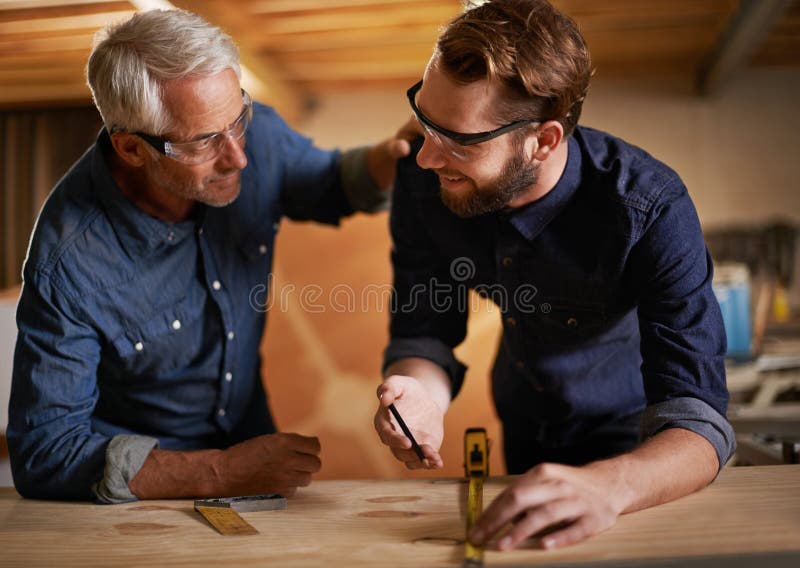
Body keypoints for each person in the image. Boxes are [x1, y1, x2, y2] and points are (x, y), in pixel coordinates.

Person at [8, 9, 412, 503]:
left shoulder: (251, 134)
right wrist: (219, 472)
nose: (239, 155)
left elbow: (328, 182)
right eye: (204, 142)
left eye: (238, 118)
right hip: (139, 489)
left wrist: (396, 154)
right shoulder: (69, 261)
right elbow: (45, 454)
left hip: (247, 435)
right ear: (133, 148)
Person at [373, 0, 735, 551]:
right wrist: (420, 394)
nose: (425, 158)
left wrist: (611, 485)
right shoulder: (423, 181)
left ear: (542, 141)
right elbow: (425, 328)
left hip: (635, 451)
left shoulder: (649, 210)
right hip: (521, 418)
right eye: (425, 120)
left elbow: (699, 417)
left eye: (459, 140)